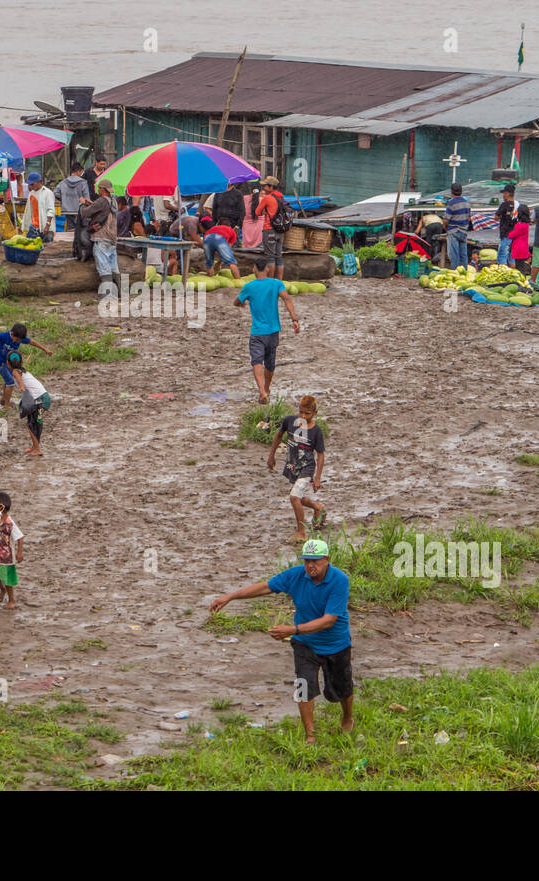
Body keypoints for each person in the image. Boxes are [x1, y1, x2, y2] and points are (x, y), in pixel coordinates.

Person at [209, 538, 353, 745]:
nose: (310, 565)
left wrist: (292, 629)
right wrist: (230, 597)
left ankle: (347, 717)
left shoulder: (339, 580)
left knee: (342, 689)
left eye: (316, 560)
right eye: (307, 561)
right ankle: (310, 735)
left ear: (327, 560)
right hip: (305, 644)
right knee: (303, 685)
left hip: (336, 644)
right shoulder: (296, 575)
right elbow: (265, 587)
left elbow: (328, 621)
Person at [235, 259, 299, 405]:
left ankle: (262, 391)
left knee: (257, 361)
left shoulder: (249, 286)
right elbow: (287, 299)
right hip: (273, 331)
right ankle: (267, 389)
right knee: (270, 363)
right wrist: (294, 319)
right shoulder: (276, 284)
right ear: (268, 270)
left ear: (254, 270)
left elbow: (236, 301)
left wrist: (241, 303)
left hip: (257, 332)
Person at [268, 395, 326, 543]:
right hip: (293, 465)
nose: (303, 416)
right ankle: (317, 506)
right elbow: (278, 435)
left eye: (307, 413)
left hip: (307, 467)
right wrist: (272, 455)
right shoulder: (289, 421)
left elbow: (320, 455)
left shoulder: (316, 431)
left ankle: (301, 532)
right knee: (298, 497)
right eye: (301, 412)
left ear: (314, 413)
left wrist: (317, 477)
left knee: (294, 497)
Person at [0, 323, 52, 409]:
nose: (18, 341)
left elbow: (32, 342)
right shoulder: (4, 336)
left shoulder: (20, 338)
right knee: (10, 383)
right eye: (17, 340)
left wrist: (45, 350)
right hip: (0, 363)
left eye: (20, 340)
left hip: (10, 365)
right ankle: (6, 405)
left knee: (8, 381)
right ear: (12, 334)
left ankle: (4, 400)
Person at [7, 351, 51, 456]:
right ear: (21, 362)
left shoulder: (15, 372)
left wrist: (22, 389)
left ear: (8, 363)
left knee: (31, 424)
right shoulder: (22, 371)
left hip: (38, 400)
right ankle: (35, 447)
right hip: (45, 398)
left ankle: (37, 449)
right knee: (35, 423)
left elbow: (20, 381)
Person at [80, 180, 120, 295]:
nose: (98, 190)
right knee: (113, 266)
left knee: (104, 267)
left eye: (99, 188)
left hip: (101, 237)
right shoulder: (113, 201)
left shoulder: (101, 201)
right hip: (112, 238)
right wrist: (92, 203)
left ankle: (107, 294)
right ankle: (119, 292)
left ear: (102, 189)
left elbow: (85, 213)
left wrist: (82, 203)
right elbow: (101, 210)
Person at [256, 176, 284, 279]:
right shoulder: (281, 197)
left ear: (271, 187)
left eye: (265, 185)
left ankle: (270, 281)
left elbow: (257, 212)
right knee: (279, 256)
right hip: (280, 231)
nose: (263, 187)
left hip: (269, 230)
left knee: (270, 257)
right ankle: (279, 280)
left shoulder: (267, 198)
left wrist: (265, 211)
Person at [444, 182, 470, 271]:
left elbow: (446, 220)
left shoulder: (451, 203)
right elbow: (469, 218)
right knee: (463, 255)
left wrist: (445, 227)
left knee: (454, 255)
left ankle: (455, 273)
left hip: (453, 231)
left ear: (451, 191)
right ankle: (464, 273)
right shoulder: (467, 203)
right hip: (464, 231)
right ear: (461, 191)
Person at [57, 165, 91, 230]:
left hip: (68, 210)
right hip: (80, 211)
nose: (81, 174)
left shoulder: (63, 182)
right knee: (81, 231)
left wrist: (64, 199)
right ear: (78, 171)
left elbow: (56, 193)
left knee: (70, 231)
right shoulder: (83, 182)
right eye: (81, 172)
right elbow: (87, 198)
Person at [24, 171, 56, 241]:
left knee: (47, 248)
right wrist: (24, 226)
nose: (31, 186)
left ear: (38, 182)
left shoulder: (48, 193)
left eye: (32, 184)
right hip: (34, 227)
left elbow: (51, 210)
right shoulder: (31, 194)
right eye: (30, 184)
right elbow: (28, 211)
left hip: (46, 228)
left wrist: (47, 226)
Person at [495, 182, 517, 267]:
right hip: (514, 236)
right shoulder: (517, 205)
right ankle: (514, 275)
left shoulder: (504, 205)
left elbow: (496, 217)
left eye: (504, 193)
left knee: (502, 257)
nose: (503, 195)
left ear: (507, 194)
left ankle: (504, 276)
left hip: (506, 235)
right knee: (512, 258)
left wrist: (502, 216)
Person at [509, 204, 532, 276]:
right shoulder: (526, 224)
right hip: (523, 248)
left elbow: (511, 235)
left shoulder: (521, 225)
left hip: (518, 249)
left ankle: (522, 283)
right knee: (521, 267)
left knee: (520, 268)